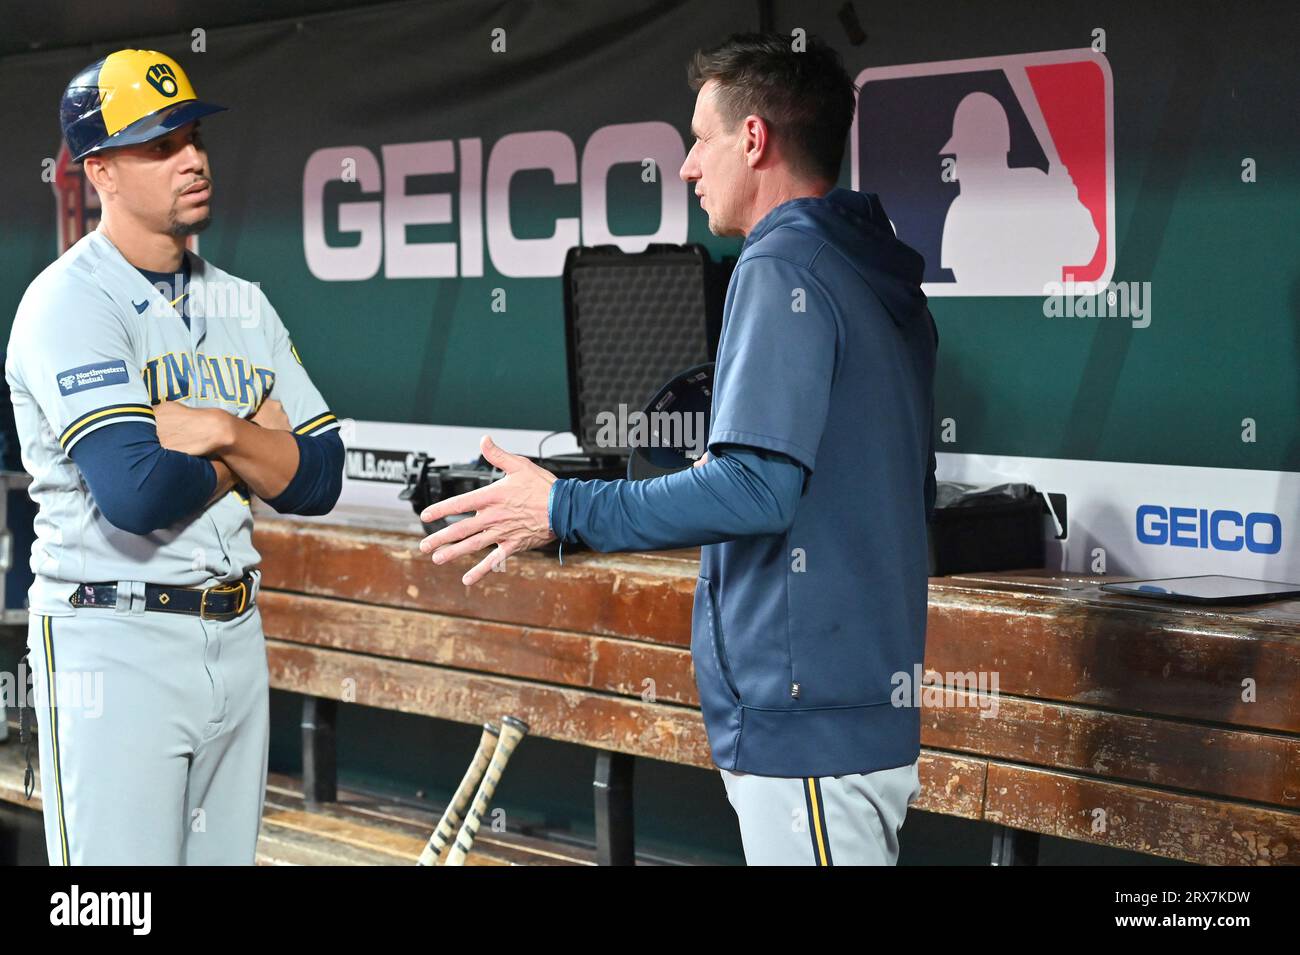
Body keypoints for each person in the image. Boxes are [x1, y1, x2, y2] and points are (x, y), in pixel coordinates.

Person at [419, 33, 937, 865]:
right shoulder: (866, 265)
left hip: (805, 722)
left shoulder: (785, 264)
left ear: (755, 139)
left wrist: (564, 504)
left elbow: (754, 489)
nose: (690, 166)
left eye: (701, 139)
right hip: (850, 710)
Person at [6, 49, 344, 864]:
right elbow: (139, 490)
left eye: (191, 136)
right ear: (100, 172)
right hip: (113, 639)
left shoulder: (242, 300)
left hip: (235, 631)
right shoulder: (68, 301)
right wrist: (261, 442)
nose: (191, 158)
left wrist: (220, 431)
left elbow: (323, 474)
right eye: (159, 145)